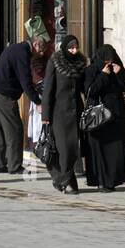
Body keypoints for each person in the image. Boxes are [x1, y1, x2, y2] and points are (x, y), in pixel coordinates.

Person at [0, 25, 48, 175]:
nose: (40, 54)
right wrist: (38, 101)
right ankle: (15, 166)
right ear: (35, 44)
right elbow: (25, 80)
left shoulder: (18, 49)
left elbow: (21, 77)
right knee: (15, 129)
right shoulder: (23, 53)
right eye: (40, 50)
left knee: (0, 130)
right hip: (4, 94)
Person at [83, 44, 125, 192]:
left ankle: (112, 181)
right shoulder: (91, 70)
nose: (109, 63)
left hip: (116, 117)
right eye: (106, 60)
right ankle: (100, 182)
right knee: (99, 151)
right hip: (98, 118)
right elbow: (90, 90)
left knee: (116, 151)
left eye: (111, 59)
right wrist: (104, 75)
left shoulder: (117, 68)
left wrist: (119, 75)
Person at [41, 35, 87, 194]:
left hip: (75, 112)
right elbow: (48, 89)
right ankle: (67, 182)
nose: (74, 51)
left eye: (76, 47)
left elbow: (84, 87)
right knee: (64, 149)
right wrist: (45, 116)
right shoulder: (55, 62)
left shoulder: (80, 63)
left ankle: (62, 179)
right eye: (71, 48)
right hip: (58, 113)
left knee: (73, 149)